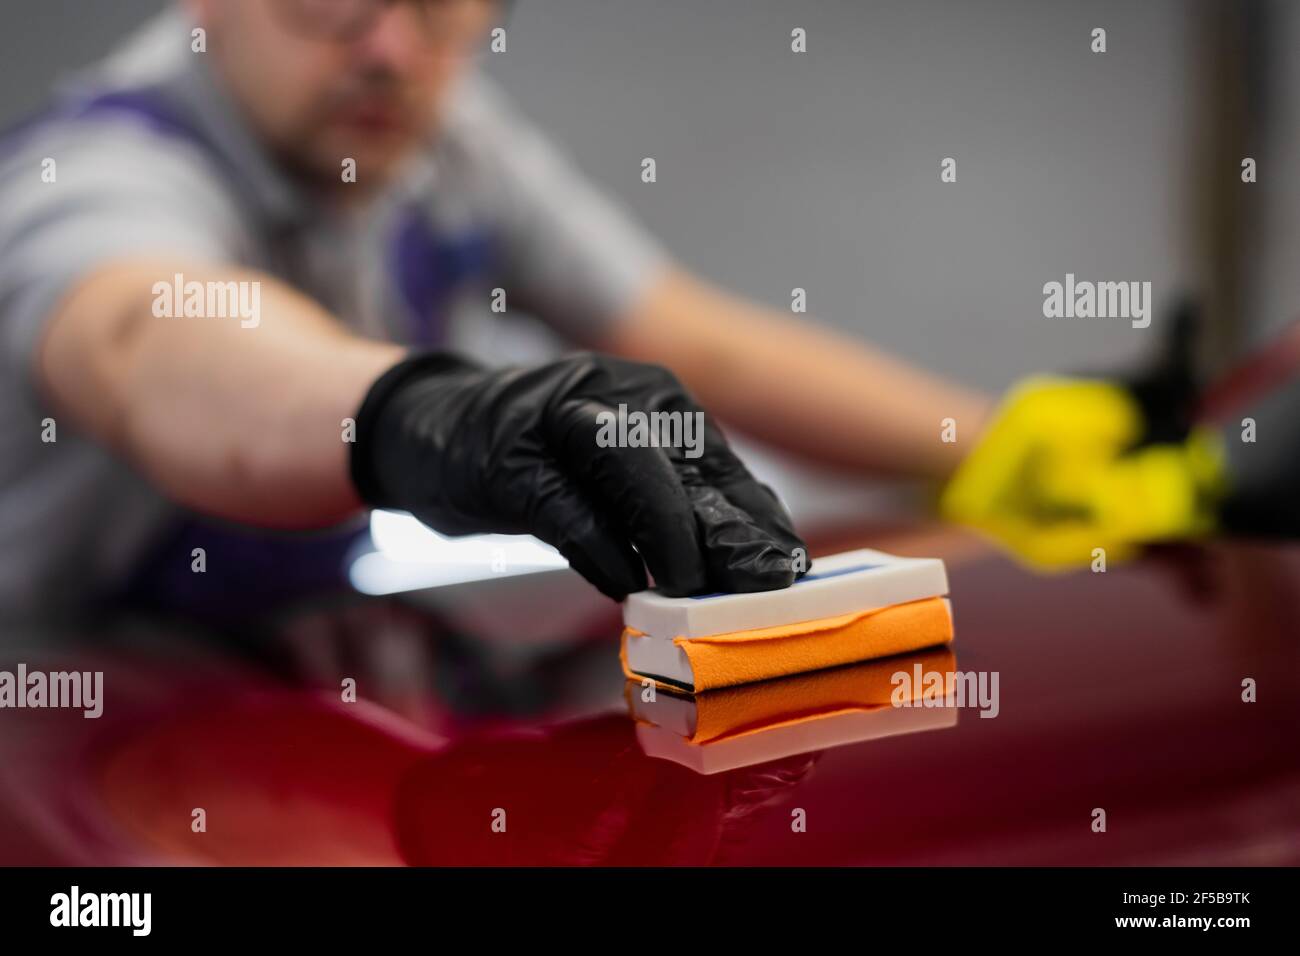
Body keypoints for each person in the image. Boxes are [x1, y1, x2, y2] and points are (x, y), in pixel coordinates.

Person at [0, 0, 992, 618]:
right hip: (68, 712)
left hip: (295, 680)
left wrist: (1000, 442)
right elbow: (140, 342)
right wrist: (429, 413)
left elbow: (690, 338)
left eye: (440, 5)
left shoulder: (441, 140)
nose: (391, 47)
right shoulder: (93, 174)